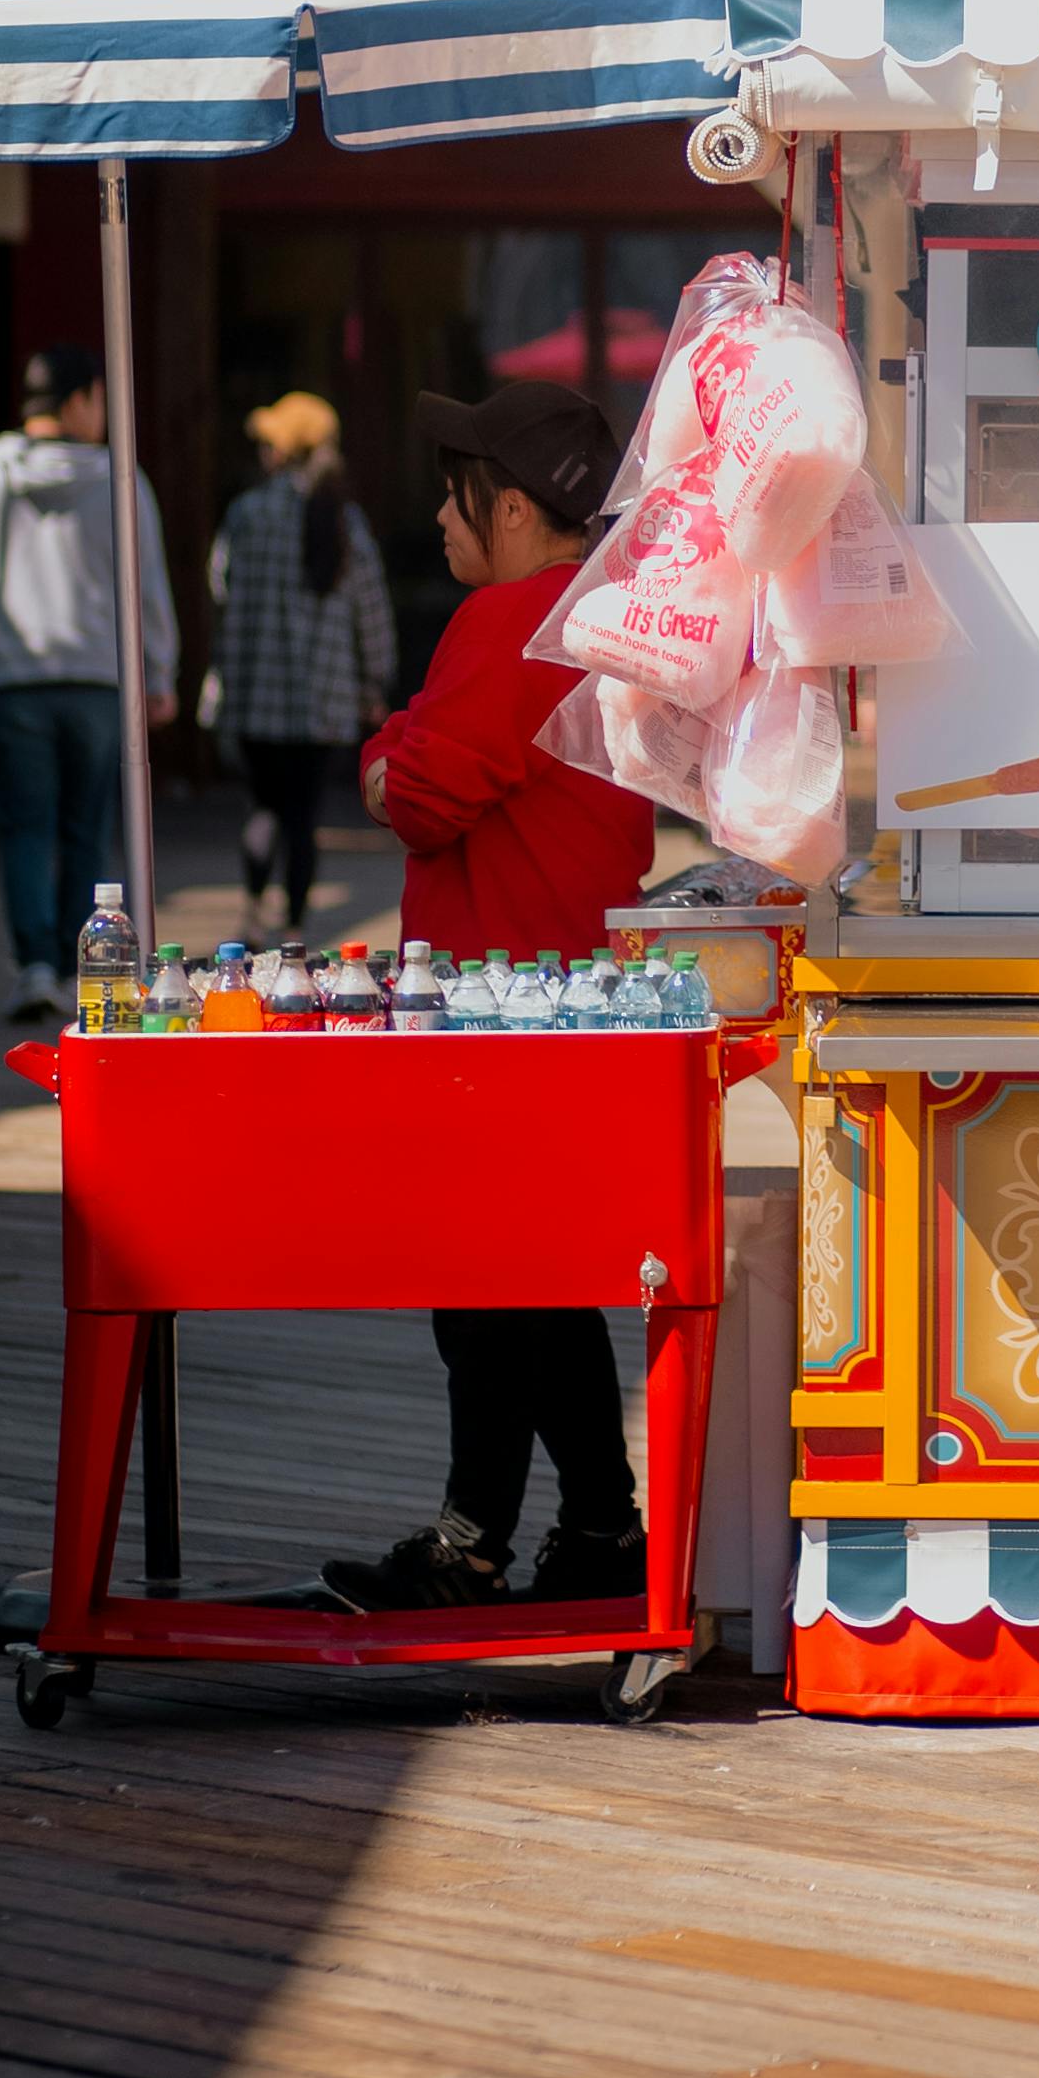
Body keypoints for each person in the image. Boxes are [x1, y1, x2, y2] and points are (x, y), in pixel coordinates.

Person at [324, 377, 655, 1615]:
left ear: (512, 507)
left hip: (494, 1004)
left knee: (482, 1290)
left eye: (458, 489)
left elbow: (415, 785)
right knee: (540, 1276)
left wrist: (378, 768)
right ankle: (600, 1528)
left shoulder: (512, 617)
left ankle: (471, 1546)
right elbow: (420, 745)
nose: (440, 513)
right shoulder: (600, 613)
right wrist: (396, 750)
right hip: (568, 991)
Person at [0, 342, 178, 1021]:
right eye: (99, 397)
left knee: (24, 827)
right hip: (97, 682)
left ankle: (34, 962)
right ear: (76, 402)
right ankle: (73, 965)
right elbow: (146, 583)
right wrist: (160, 670)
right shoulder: (121, 479)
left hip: (13, 682)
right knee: (85, 829)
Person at [207, 391, 396, 943]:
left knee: (263, 804)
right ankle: (292, 926)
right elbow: (371, 606)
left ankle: (250, 911)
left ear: (285, 450)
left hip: (255, 695)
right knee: (302, 815)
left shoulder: (246, 514)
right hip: (323, 699)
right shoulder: (344, 518)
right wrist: (374, 679)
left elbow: (218, 585)